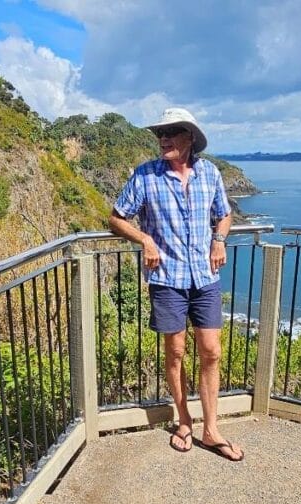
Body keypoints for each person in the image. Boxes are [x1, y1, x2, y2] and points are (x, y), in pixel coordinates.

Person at [108, 107, 245, 461]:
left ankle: (211, 429)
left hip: (205, 277)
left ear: (190, 139)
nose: (163, 139)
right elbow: (116, 218)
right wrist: (145, 240)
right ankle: (184, 421)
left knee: (211, 351)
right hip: (167, 279)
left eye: (171, 132)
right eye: (160, 134)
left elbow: (225, 213)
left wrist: (220, 239)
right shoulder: (145, 176)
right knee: (176, 352)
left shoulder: (209, 173)